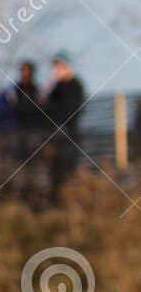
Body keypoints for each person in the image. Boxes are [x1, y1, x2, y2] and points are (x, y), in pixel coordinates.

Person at [45, 51, 86, 203]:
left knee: (69, 170)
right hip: (55, 137)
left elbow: (71, 110)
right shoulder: (56, 87)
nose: (56, 71)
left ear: (66, 66)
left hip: (70, 135)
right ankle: (56, 203)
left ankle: (70, 202)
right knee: (55, 172)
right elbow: (46, 109)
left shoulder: (76, 85)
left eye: (59, 66)